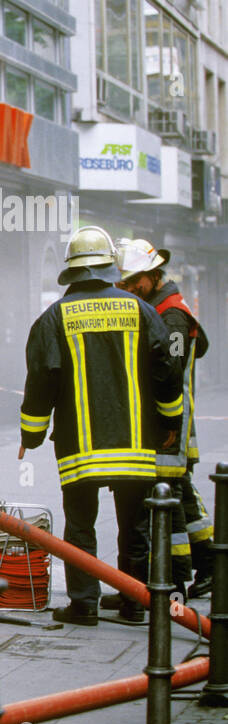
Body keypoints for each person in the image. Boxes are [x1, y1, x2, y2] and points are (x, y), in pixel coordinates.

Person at [18, 226, 182, 626]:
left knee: (80, 526)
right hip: (135, 443)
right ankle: (133, 603)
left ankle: (85, 604)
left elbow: (42, 378)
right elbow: (166, 369)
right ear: (110, 267)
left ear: (71, 271)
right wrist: (171, 420)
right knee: (134, 525)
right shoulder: (140, 310)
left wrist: (31, 435)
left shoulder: (54, 317)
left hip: (79, 448)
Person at [115, 238, 214, 601]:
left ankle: (175, 578)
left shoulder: (171, 316)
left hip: (171, 426)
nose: (126, 289)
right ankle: (211, 567)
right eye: (122, 283)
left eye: (132, 281)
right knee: (184, 497)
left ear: (154, 276)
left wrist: (167, 424)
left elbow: (169, 371)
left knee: (167, 498)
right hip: (173, 424)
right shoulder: (161, 308)